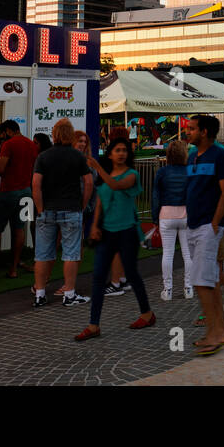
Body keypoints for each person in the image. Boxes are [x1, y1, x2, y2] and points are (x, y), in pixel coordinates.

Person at [76, 138, 155, 339]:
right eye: (117, 150)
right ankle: (93, 325)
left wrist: (98, 168)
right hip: (107, 232)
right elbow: (100, 201)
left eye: (124, 150)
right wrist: (95, 225)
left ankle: (146, 313)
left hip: (127, 231)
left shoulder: (132, 175)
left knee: (132, 274)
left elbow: (117, 186)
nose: (121, 153)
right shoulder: (107, 175)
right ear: (110, 154)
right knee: (98, 277)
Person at [183, 115, 224, 355]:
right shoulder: (192, 155)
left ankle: (212, 334)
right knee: (210, 281)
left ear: (204, 132)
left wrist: (215, 222)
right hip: (194, 223)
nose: (187, 132)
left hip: (208, 226)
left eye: (192, 129)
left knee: (201, 281)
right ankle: (220, 332)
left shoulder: (219, 155)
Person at [32, 119, 93, 308]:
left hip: (47, 210)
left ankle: (40, 294)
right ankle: (69, 294)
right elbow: (89, 182)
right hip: (71, 208)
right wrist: (82, 205)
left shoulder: (43, 156)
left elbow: (36, 184)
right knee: (71, 254)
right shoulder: (77, 156)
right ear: (70, 135)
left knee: (42, 254)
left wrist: (40, 208)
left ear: (54, 134)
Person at [0, 120, 36, 280]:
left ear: (8, 131)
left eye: (1, 134)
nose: (1, 137)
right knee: (20, 229)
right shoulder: (31, 144)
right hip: (27, 192)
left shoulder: (9, 144)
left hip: (8, 191)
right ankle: (14, 269)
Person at [152, 140, 193, 300]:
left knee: (167, 254)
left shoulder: (162, 172)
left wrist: (155, 217)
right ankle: (188, 288)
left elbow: (156, 196)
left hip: (166, 214)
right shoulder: (189, 171)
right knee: (187, 254)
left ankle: (167, 290)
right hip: (186, 214)